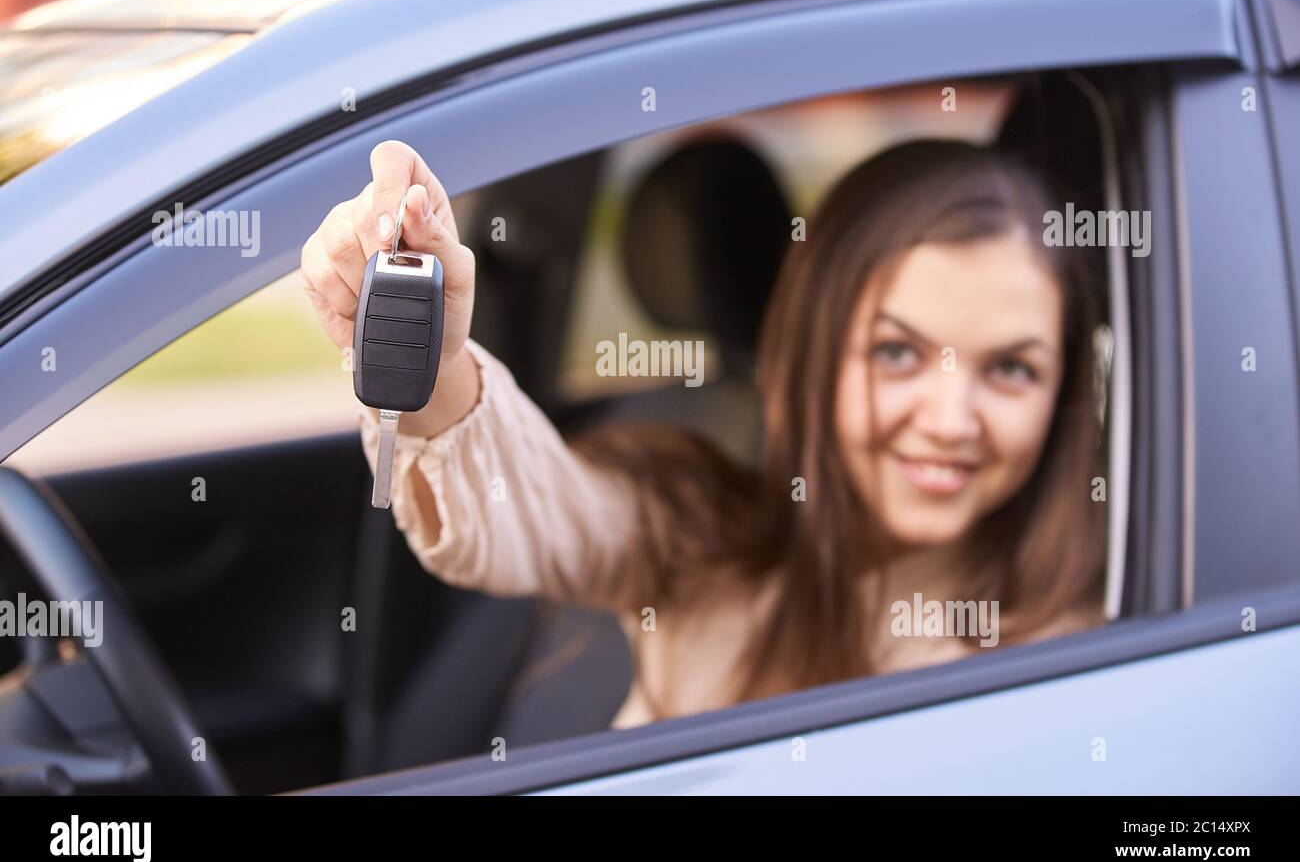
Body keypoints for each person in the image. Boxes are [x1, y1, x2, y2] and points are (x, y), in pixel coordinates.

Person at [300, 138, 1107, 729]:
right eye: (896, 353)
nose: (948, 420)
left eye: (1010, 370)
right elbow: (522, 520)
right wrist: (434, 363)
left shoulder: (1117, 637)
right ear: (813, 353)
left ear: (1064, 389)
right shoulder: (698, 531)